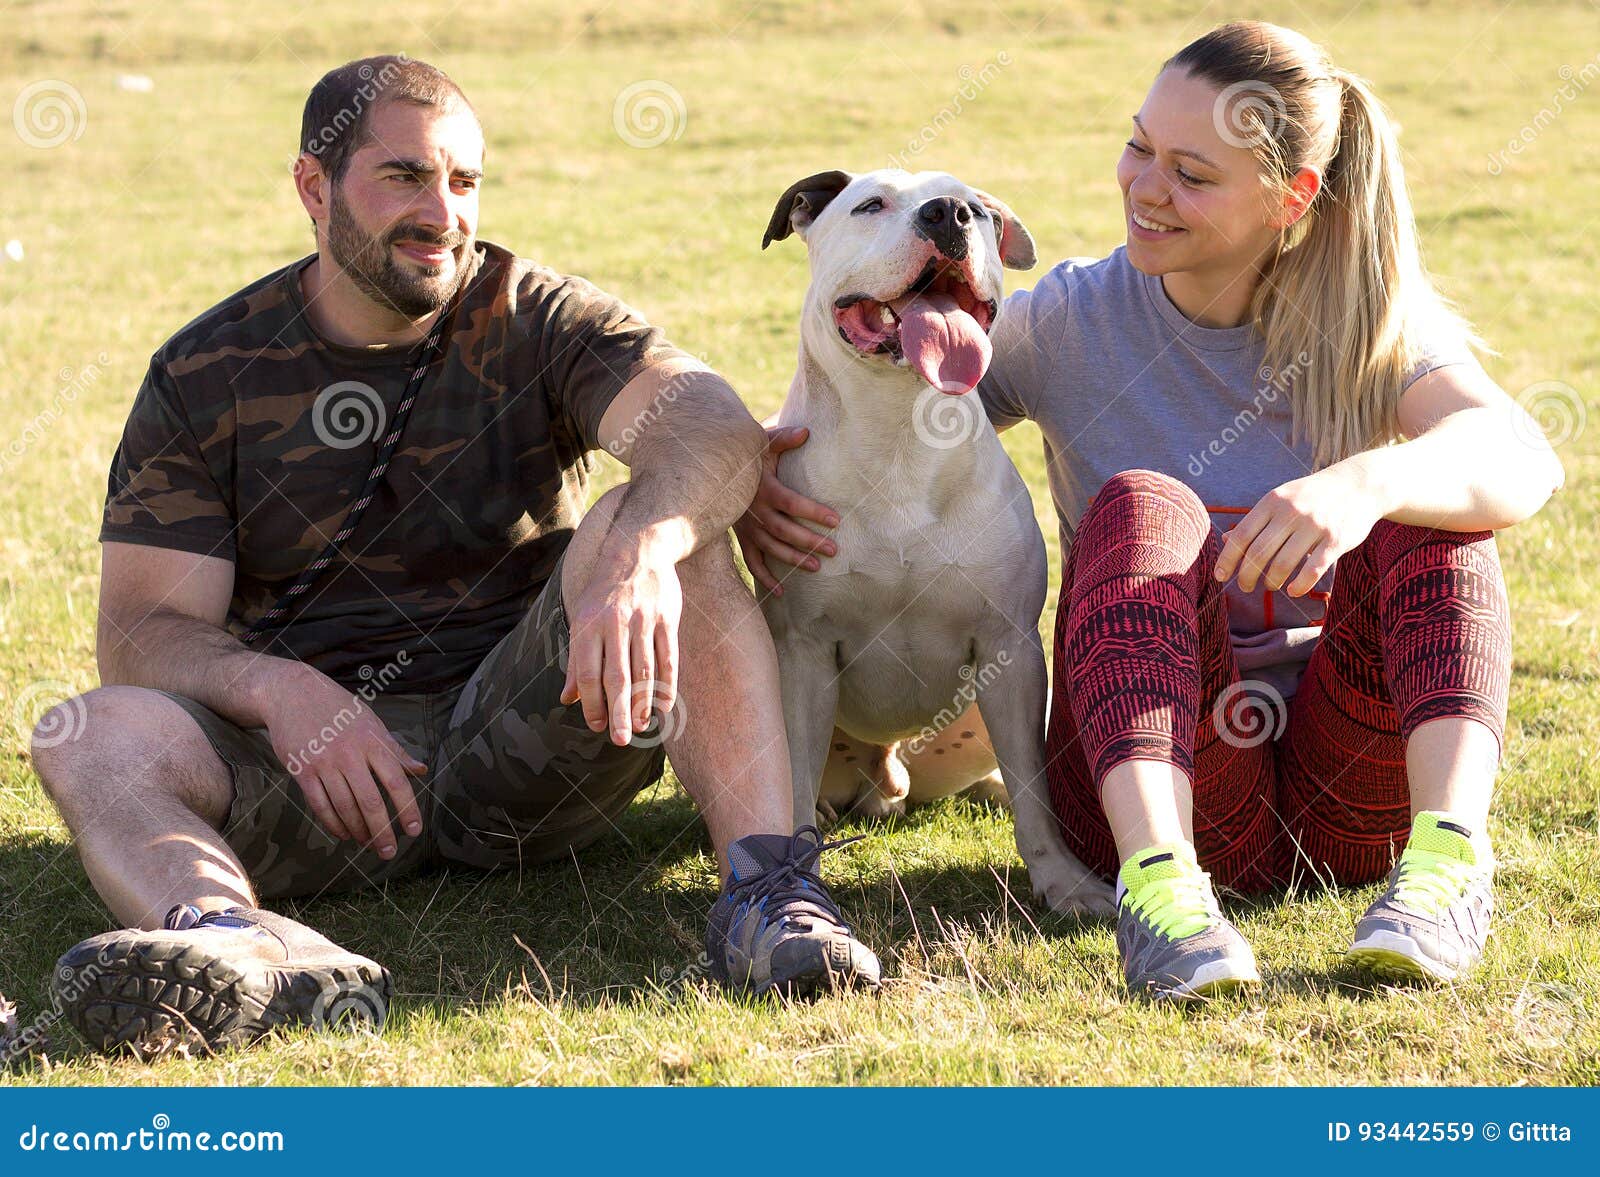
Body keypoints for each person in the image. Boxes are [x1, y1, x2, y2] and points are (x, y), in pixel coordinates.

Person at [34, 55, 880, 1057]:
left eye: (464, 182)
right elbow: (138, 631)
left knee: (657, 527)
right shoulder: (205, 372)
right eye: (404, 177)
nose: (442, 212)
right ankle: (234, 945)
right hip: (314, 778)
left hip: (529, 738)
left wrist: (649, 542)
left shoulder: (529, 311)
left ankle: (769, 894)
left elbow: (704, 419)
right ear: (314, 188)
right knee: (83, 732)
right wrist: (276, 689)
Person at [736, 21, 1563, 1000]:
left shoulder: (1363, 321)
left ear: (1288, 200)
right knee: (1138, 506)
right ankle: (1165, 906)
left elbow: (1521, 459)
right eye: (1138, 147)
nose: (1144, 186)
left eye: (1191, 174)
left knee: (1439, 504)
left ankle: (1446, 872)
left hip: (1347, 793)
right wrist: (748, 477)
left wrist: (1367, 481)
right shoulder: (1068, 321)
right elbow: (868, 407)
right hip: (1147, 793)